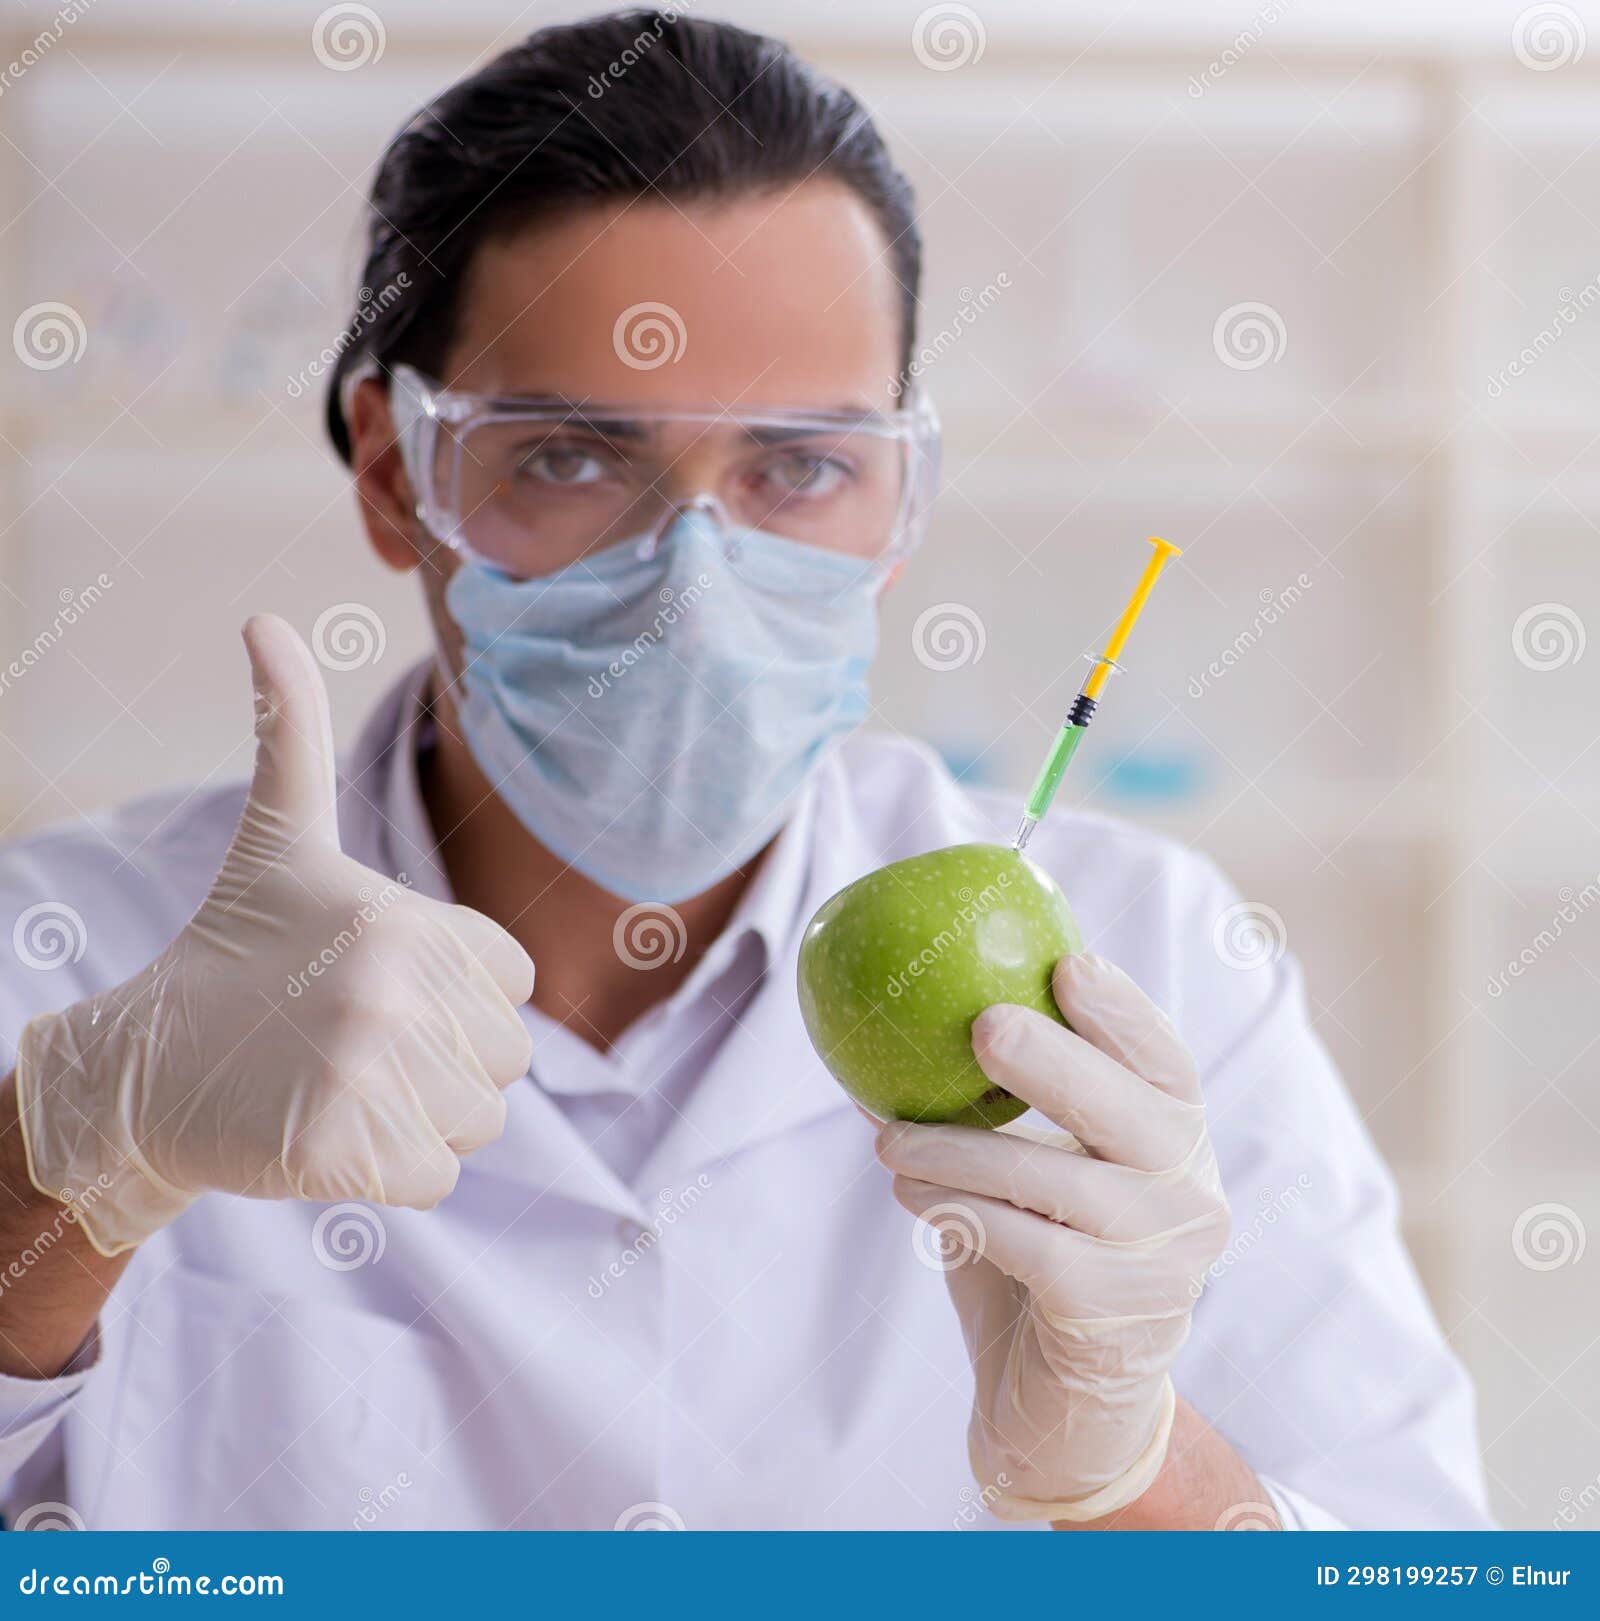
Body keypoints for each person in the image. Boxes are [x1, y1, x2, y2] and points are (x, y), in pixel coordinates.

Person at [0, 11, 1488, 1532]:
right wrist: (58, 1174)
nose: (693, 587)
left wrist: (1133, 1471)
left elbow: (1424, 1564)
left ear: (900, 491)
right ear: (399, 473)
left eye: (799, 465)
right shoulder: (67, 968)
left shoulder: (1153, 961)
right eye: (574, 456)